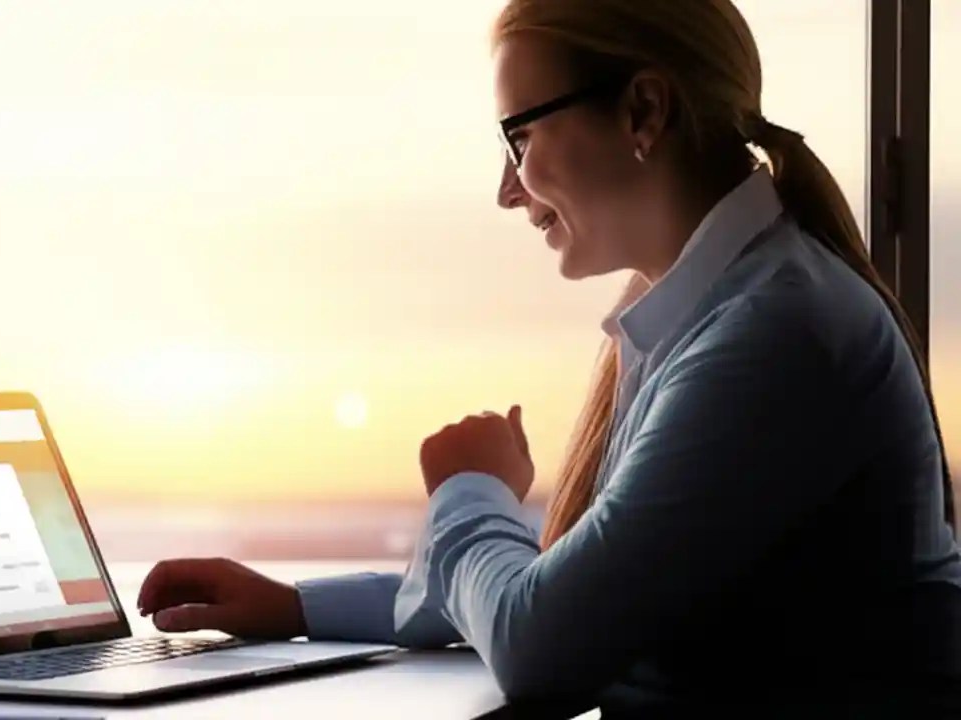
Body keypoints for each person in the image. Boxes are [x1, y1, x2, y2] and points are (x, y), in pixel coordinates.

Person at [137, 0, 961, 713]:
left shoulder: (772, 337)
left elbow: (543, 644)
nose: (507, 188)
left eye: (519, 136)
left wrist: (471, 493)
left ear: (643, 112)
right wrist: (292, 607)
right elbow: (580, 590)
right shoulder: (714, 313)